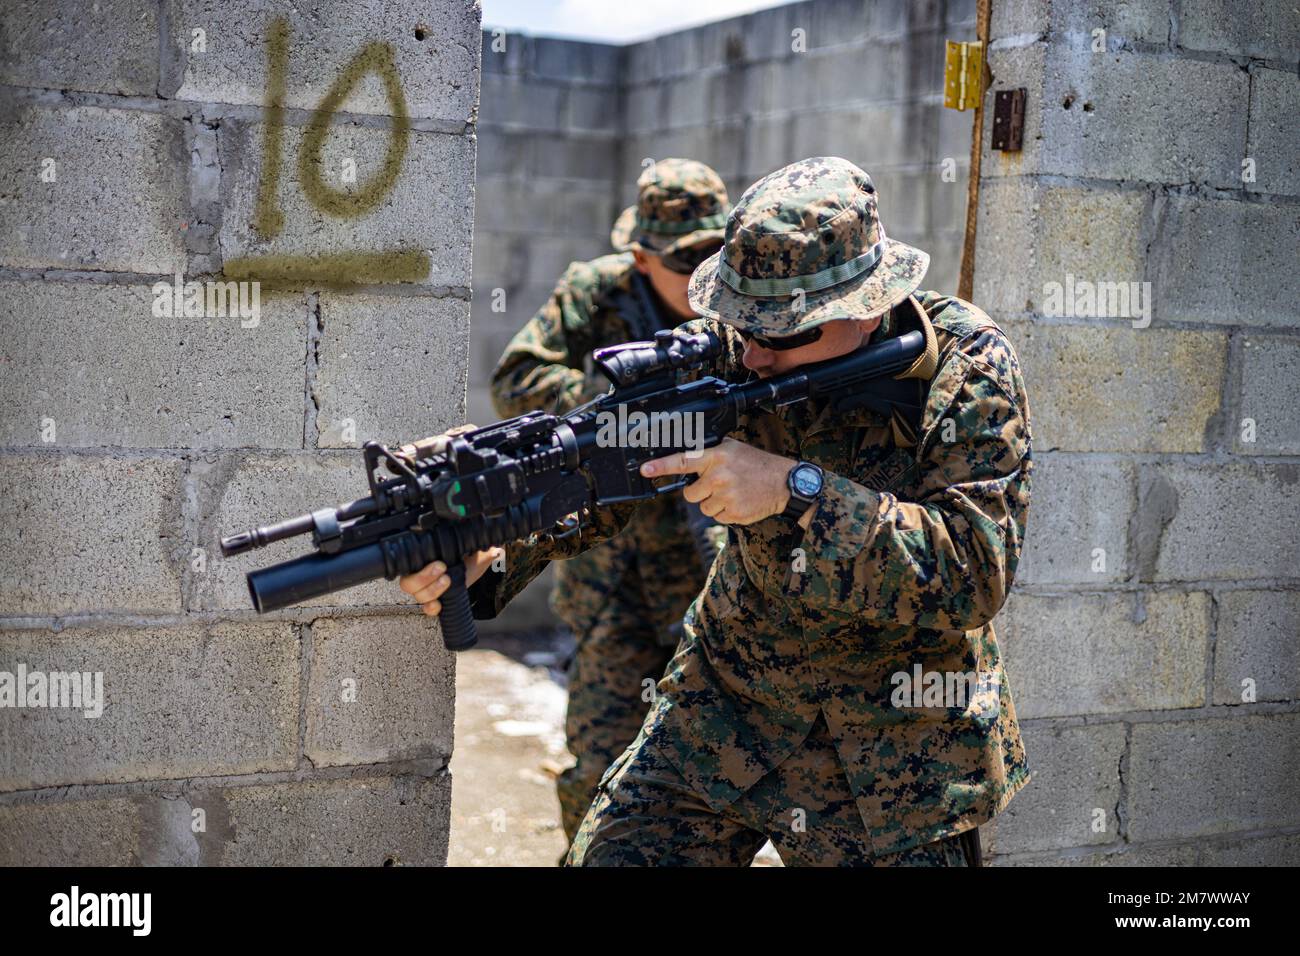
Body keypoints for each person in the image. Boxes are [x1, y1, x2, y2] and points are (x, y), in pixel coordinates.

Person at [402, 156, 1033, 866]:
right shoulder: (738, 347)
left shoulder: (967, 362)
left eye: (783, 333)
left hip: (893, 753)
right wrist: (497, 546)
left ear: (863, 304)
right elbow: (618, 472)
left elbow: (972, 570)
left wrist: (798, 492)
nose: (754, 354)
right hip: (726, 706)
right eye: (743, 324)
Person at [485, 158, 730, 843]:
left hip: (709, 565)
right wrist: (616, 416)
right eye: (684, 259)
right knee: (601, 756)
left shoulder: (740, 302)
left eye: (713, 252)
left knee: (711, 769)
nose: (701, 271)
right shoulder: (598, 290)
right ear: (640, 256)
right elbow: (518, 377)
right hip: (612, 566)